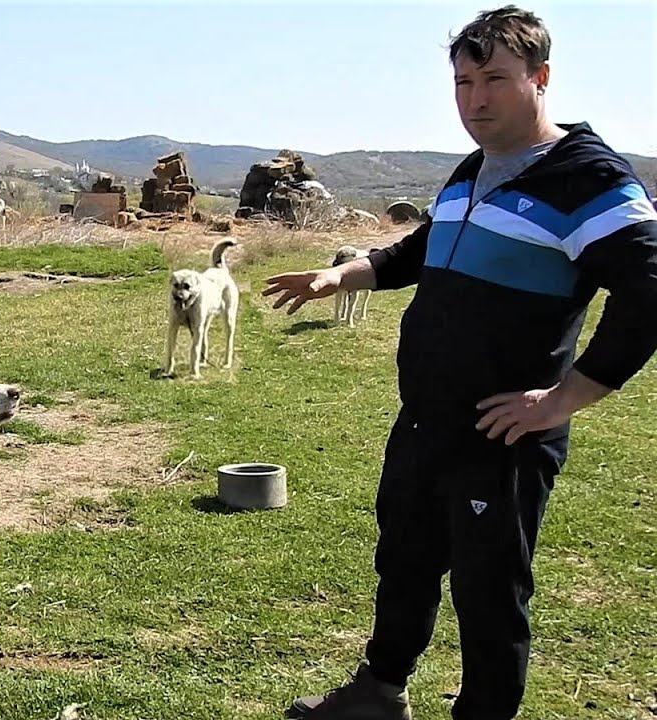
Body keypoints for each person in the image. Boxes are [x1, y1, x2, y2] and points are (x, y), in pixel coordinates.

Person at [261, 5, 657, 719]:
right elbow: (422, 249)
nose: (476, 99)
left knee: (488, 592)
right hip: (426, 422)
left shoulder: (588, 181)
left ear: (541, 78)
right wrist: (340, 275)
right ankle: (378, 693)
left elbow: (650, 290)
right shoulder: (475, 169)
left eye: (496, 79)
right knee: (404, 564)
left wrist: (564, 399)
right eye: (464, 80)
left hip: (501, 435)